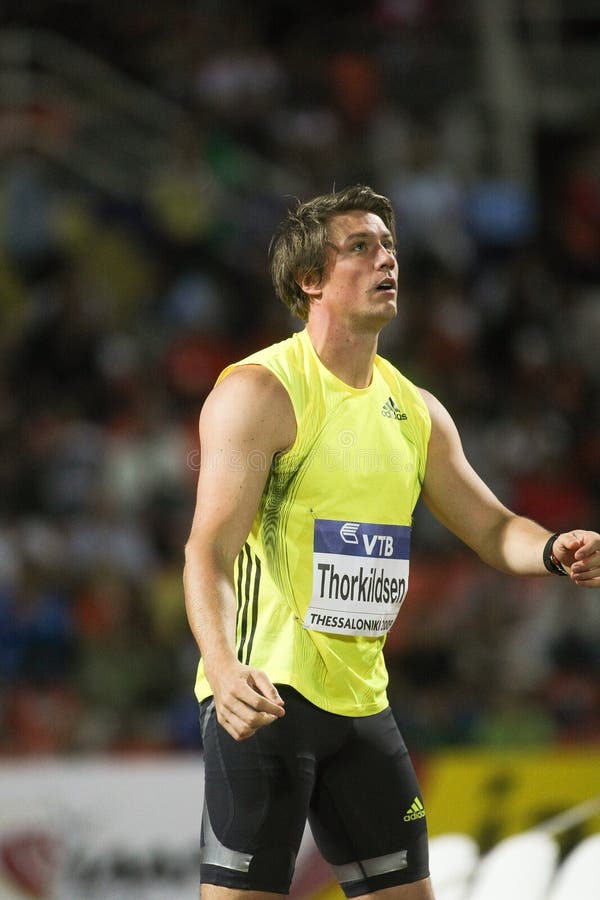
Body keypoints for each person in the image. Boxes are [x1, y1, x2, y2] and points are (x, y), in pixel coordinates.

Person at [183, 184, 600, 900]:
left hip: (361, 705)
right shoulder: (261, 392)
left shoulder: (415, 409)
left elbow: (492, 527)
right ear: (310, 280)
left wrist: (554, 548)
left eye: (389, 246)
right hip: (267, 695)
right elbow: (208, 549)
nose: (387, 259)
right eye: (360, 247)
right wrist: (223, 669)